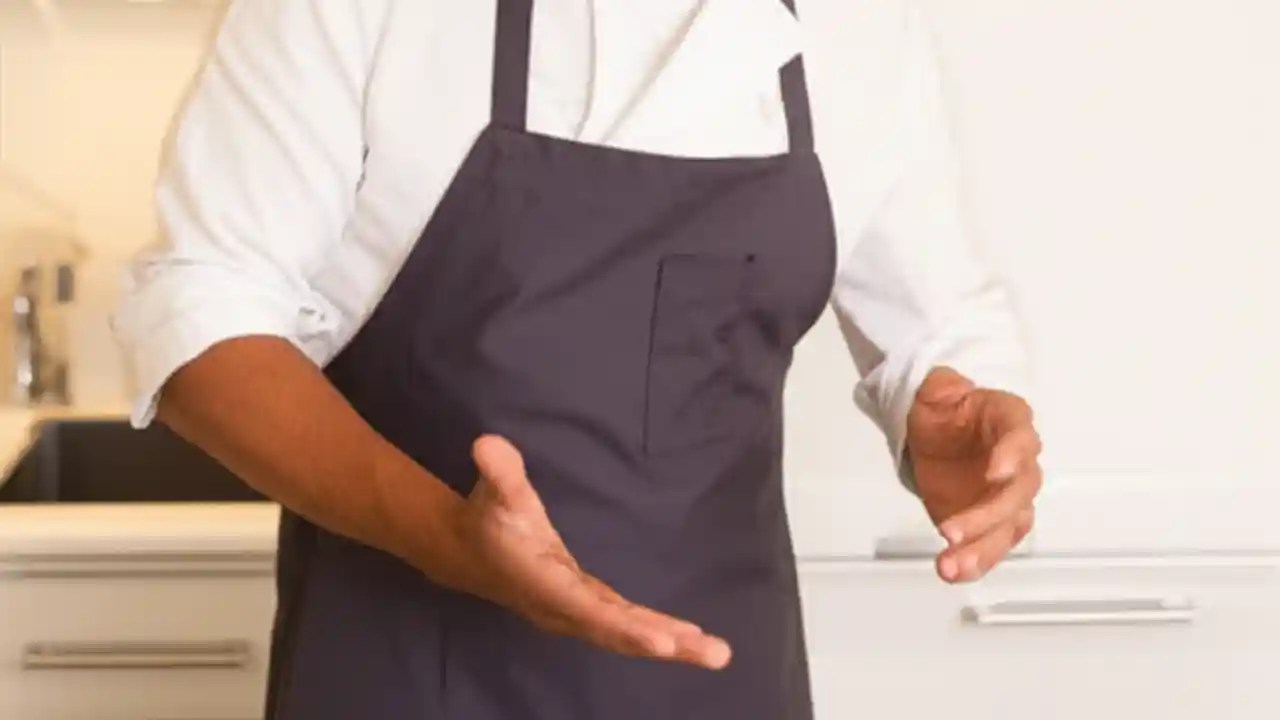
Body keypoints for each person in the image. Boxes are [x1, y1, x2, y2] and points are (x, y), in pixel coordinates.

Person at [114, 0, 1044, 718]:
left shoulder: (857, 24)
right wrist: (448, 539)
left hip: (719, 682)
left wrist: (952, 419)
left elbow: (935, 327)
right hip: (410, 680)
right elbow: (201, 312)